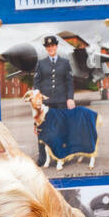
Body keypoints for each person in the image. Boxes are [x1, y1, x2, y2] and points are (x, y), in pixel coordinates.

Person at [33, 35, 76, 165]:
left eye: (52, 46)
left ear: (56, 46)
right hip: (45, 104)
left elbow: (69, 83)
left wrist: (70, 98)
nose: (50, 48)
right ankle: (42, 158)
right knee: (42, 129)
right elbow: (36, 83)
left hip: (61, 101)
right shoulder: (41, 64)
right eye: (48, 46)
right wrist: (37, 100)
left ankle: (63, 156)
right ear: (46, 49)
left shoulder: (65, 63)